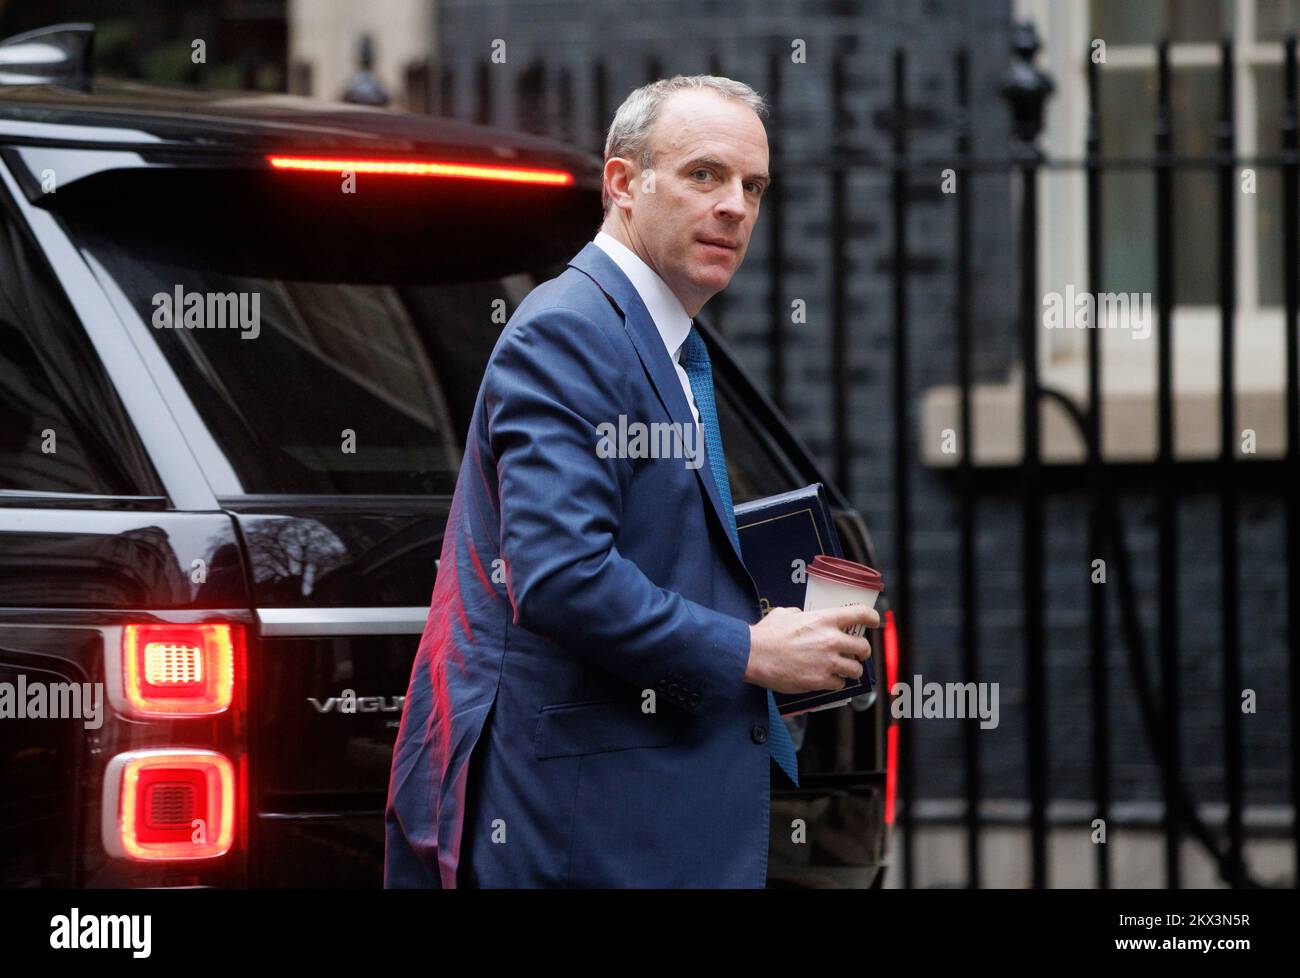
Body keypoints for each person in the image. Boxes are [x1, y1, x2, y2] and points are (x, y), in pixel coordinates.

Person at [384, 74, 876, 888]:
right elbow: (561, 576)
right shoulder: (572, 331)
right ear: (622, 183)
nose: (735, 207)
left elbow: (654, 550)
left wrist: (782, 640)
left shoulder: (667, 342)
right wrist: (750, 651)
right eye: (704, 175)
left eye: (753, 186)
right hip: (584, 836)